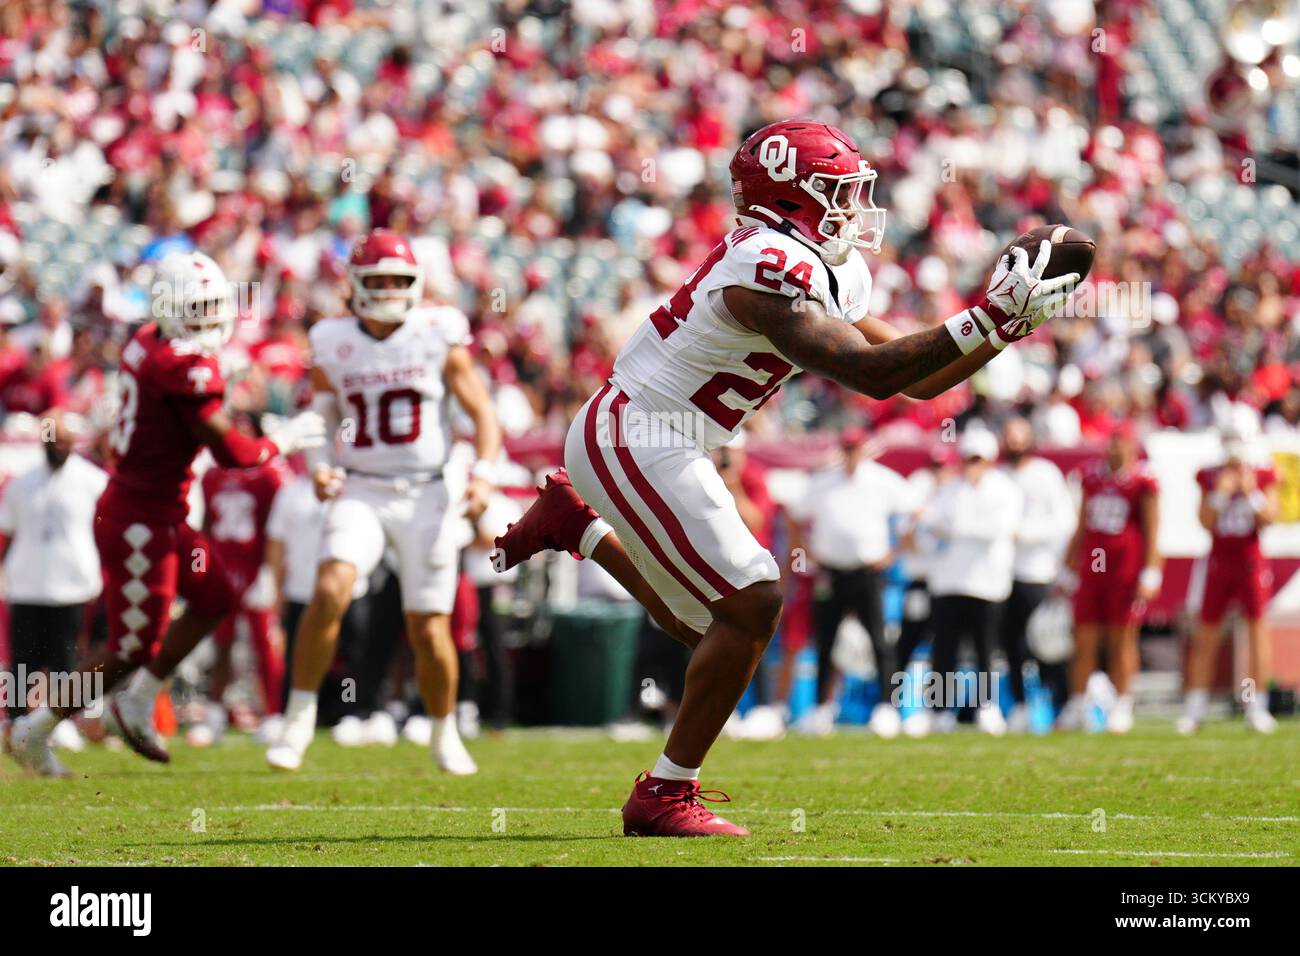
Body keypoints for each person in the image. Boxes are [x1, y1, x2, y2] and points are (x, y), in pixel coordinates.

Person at [493, 121, 1079, 836]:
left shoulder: (823, 264)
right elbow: (870, 374)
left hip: (671, 440)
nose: (854, 208)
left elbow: (914, 380)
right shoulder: (765, 263)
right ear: (789, 200)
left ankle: (576, 527)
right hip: (635, 430)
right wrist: (988, 312)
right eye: (837, 193)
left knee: (710, 625)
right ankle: (664, 794)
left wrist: (1002, 332)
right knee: (754, 603)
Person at [7, 251, 325, 775]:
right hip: (138, 519)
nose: (206, 321)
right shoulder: (181, 365)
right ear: (170, 309)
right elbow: (233, 454)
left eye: (211, 308)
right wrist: (282, 438)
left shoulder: (148, 338)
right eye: (194, 310)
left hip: (162, 512)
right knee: (131, 646)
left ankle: (135, 702)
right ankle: (33, 727)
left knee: (214, 595)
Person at [266, 229, 501, 775]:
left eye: (399, 279)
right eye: (379, 280)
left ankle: (443, 732)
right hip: (363, 486)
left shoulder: (437, 332)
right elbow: (322, 415)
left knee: (428, 626)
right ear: (354, 285)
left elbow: (483, 414)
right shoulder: (331, 339)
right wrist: (318, 464)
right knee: (329, 587)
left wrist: (484, 474)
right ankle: (298, 718)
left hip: (428, 492)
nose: (390, 289)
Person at [789, 426, 910, 738]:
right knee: (826, 640)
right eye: (847, 448)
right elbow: (794, 514)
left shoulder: (882, 481)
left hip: (868, 571)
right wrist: (806, 551)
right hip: (831, 571)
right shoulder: (823, 483)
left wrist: (893, 552)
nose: (851, 454)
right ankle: (820, 708)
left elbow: (914, 512)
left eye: (856, 448)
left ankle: (887, 707)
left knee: (879, 640)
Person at [0, 411, 107, 736]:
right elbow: (6, 531)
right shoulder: (21, 482)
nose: (56, 445)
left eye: (61, 439)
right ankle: (17, 719)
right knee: (24, 658)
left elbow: (106, 533)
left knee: (66, 655)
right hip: (27, 581)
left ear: (73, 442)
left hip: (72, 582)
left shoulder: (93, 481)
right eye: (51, 439)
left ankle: (61, 721)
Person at [917, 428, 1023, 736]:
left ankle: (987, 706)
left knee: (985, 650)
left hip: (988, 585)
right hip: (947, 582)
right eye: (966, 458)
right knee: (944, 651)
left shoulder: (1005, 489)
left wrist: (951, 528)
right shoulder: (949, 489)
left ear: (989, 460)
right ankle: (939, 710)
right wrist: (950, 528)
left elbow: (996, 529)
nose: (970, 464)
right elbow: (928, 525)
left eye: (976, 458)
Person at [1059, 424, 1162, 734]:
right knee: (1084, 639)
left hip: (1124, 571)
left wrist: (1151, 570)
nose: (1116, 449)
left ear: (1132, 447)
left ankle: (1122, 704)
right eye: (1112, 442)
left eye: (1122, 443)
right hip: (1093, 570)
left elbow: (1153, 530)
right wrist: (1068, 565)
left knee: (1122, 640)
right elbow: (1082, 525)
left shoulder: (1143, 482)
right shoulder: (1091, 477)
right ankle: (1078, 705)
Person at [188, 423, 286, 746]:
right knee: (222, 643)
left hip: (255, 566)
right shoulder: (213, 475)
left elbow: (276, 527)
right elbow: (206, 526)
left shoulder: (268, 475)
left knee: (264, 644)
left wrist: (272, 571)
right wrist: (201, 568)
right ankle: (215, 714)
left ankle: (273, 714)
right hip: (223, 567)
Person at [1177, 426, 1279, 734]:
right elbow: (1205, 522)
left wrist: (1251, 494)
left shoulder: (1262, 473)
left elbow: (1269, 518)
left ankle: (1255, 706)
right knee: (1207, 633)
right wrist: (1220, 493)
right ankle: (1195, 709)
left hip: (1250, 560)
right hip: (1220, 559)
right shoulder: (1209, 475)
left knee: (1256, 634)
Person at [998, 416, 1076, 728]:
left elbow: (1064, 522)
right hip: (1002, 575)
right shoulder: (998, 476)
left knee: (1047, 643)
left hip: (1038, 572)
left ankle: (1061, 704)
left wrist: (1026, 533)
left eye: (1020, 436)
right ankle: (1020, 707)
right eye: (1010, 436)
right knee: (1011, 644)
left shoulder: (1046, 475)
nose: (1015, 443)